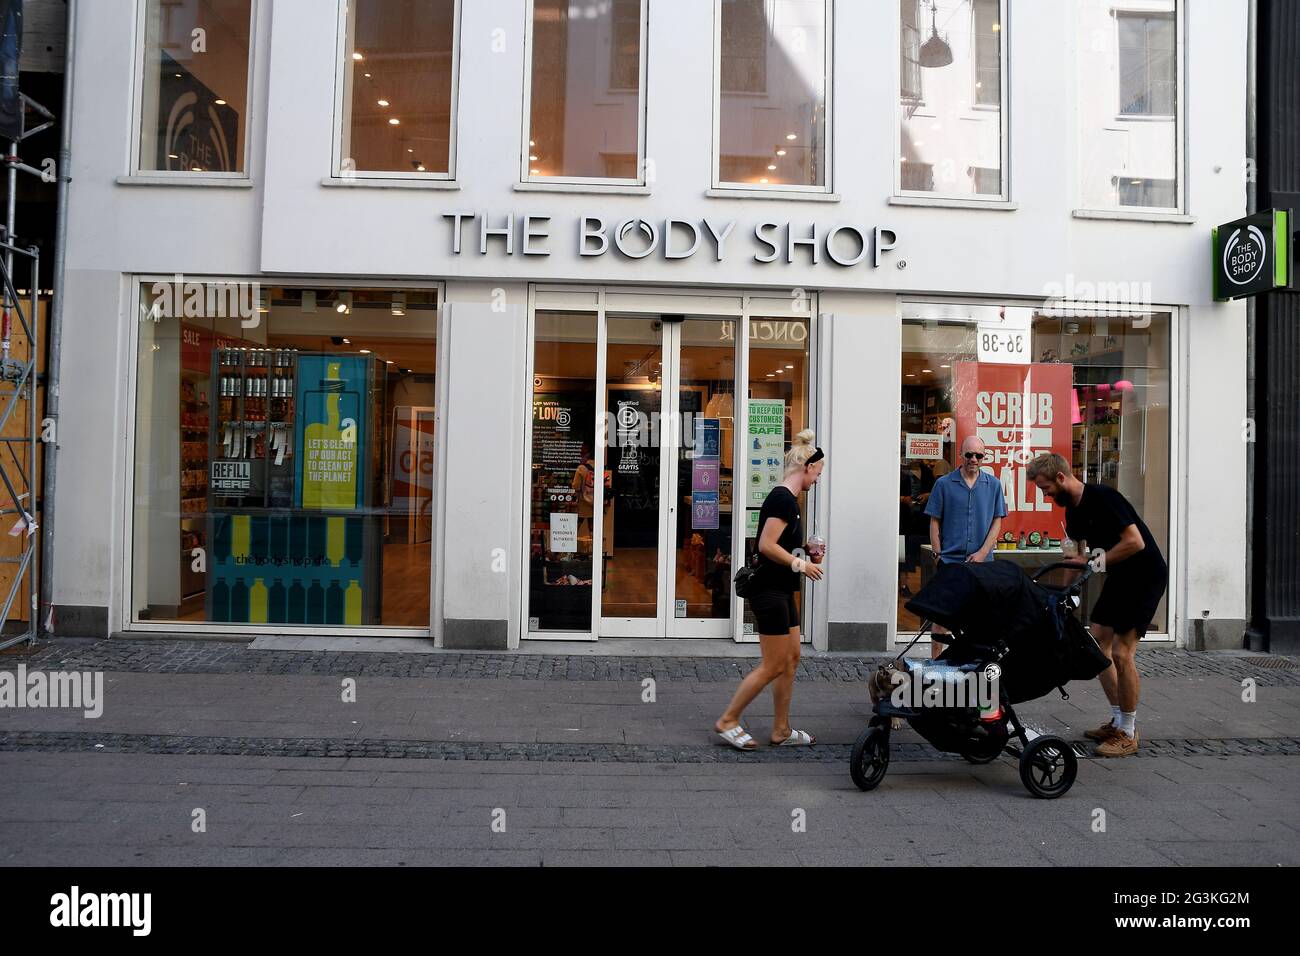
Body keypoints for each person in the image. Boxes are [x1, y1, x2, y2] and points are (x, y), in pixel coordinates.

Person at [1028, 452, 1167, 758]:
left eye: (1046, 488)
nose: (1045, 495)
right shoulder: (1073, 512)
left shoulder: (1104, 497)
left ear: (1061, 478)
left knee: (1121, 651)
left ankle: (1128, 732)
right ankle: (1118, 720)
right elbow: (1074, 559)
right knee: (1098, 643)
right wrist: (1060, 597)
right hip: (1120, 576)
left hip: (1145, 575)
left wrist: (1093, 561)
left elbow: (1135, 542)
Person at [715, 430, 825, 750]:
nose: (818, 480)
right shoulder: (782, 499)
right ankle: (728, 720)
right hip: (769, 592)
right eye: (817, 473)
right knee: (774, 664)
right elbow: (766, 545)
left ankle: (780, 729)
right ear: (806, 468)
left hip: (783, 590)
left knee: (791, 658)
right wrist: (802, 564)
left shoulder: (789, 501)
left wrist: (806, 549)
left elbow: (782, 543)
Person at [923, 436, 1006, 658]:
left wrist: (982, 552)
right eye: (969, 454)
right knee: (941, 616)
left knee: (977, 616)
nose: (973, 459)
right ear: (961, 455)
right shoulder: (943, 484)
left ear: (984, 457)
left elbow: (997, 520)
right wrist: (937, 553)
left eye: (978, 455)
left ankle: (968, 659)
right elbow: (934, 520)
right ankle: (935, 661)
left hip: (981, 565)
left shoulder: (994, 485)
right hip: (949, 561)